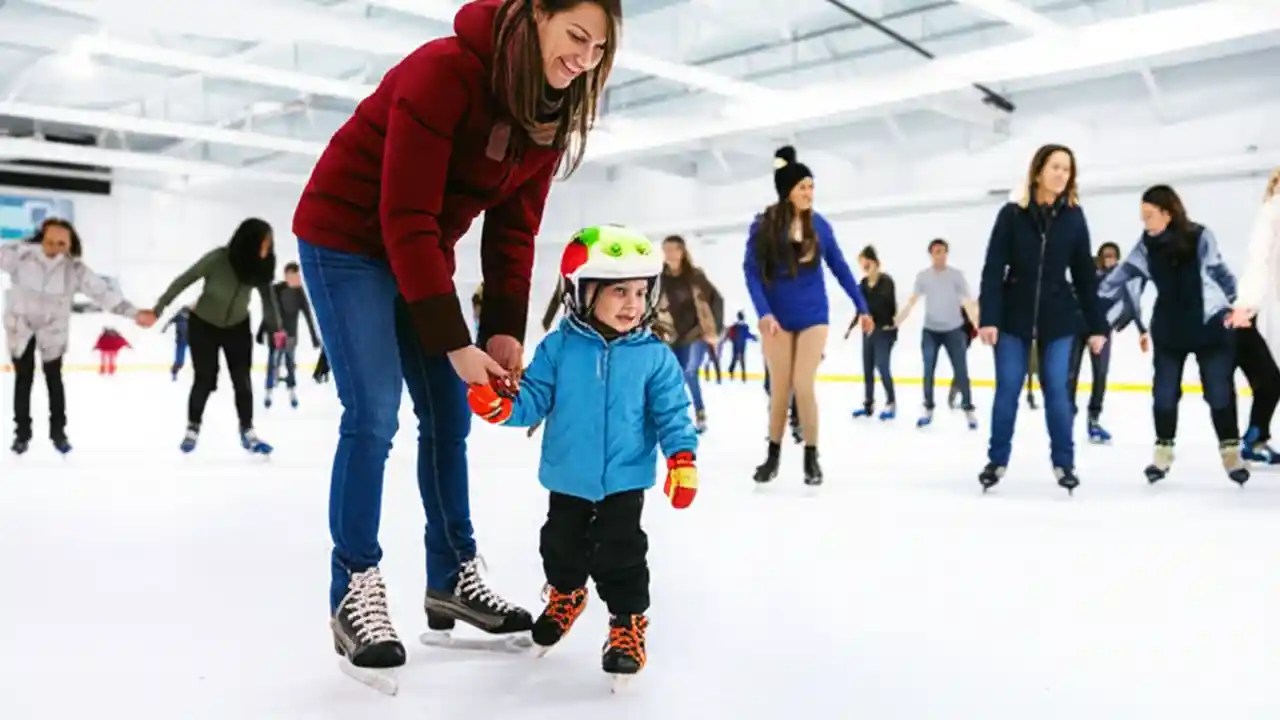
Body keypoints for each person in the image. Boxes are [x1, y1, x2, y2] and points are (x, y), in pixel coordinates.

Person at [289, 0, 622, 690]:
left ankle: (451, 579)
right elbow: (403, 212)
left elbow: (513, 232)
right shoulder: (442, 73)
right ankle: (353, 585)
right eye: (575, 37)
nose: (584, 60)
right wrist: (452, 339)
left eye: (599, 49)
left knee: (448, 414)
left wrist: (502, 327)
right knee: (374, 412)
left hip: (419, 249)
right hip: (346, 238)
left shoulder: (548, 112)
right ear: (535, 15)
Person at [466, 225, 697, 686]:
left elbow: (673, 412)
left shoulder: (654, 357)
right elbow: (533, 398)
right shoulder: (559, 347)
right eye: (618, 291)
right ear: (584, 291)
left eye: (639, 291)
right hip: (568, 476)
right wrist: (503, 407)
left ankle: (628, 624)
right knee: (559, 544)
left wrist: (682, 459)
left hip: (625, 479)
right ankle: (566, 594)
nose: (632, 303)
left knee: (623, 553)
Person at [977, 143, 1107, 494]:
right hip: (1011, 317)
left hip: (1059, 318)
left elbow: (1084, 275)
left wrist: (1097, 326)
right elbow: (993, 269)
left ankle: (1064, 463)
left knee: (1058, 393)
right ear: (1038, 172)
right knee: (1007, 389)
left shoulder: (1074, 218)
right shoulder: (1011, 214)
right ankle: (997, 460)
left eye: (1067, 169)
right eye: (1055, 167)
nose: (1062, 174)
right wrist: (989, 317)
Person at [1100, 184, 1248, 485]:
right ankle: (1162, 454)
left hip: (1209, 326)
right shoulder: (1145, 246)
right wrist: (1093, 298)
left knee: (1218, 391)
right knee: (1164, 394)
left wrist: (1239, 305)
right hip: (1170, 329)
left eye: (1149, 216)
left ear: (1167, 214)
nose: (1145, 223)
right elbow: (1122, 274)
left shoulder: (1200, 236)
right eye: (1143, 217)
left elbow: (1220, 271)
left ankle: (1231, 453)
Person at [744, 146, 872, 486]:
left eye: (812, 187)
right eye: (803, 186)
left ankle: (811, 457)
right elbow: (752, 272)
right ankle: (772, 456)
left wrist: (862, 305)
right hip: (777, 318)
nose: (809, 193)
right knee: (780, 390)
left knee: (803, 384)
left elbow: (841, 268)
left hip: (814, 314)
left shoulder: (820, 226)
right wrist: (764, 313)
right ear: (788, 190)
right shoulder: (764, 225)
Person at [1, 218, 155, 454]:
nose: (54, 247)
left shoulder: (74, 270)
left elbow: (103, 294)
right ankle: (22, 434)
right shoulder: (20, 256)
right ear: (42, 237)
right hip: (19, 328)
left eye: (61, 244)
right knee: (23, 381)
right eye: (50, 241)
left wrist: (134, 314)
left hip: (52, 332)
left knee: (54, 381)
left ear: (70, 245)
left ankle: (58, 434)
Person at [150, 218, 281, 455]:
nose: (266, 249)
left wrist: (277, 328)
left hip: (238, 326)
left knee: (242, 380)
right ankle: (193, 427)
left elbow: (269, 300)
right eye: (263, 244)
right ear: (249, 243)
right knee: (205, 379)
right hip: (204, 325)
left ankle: (247, 431)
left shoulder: (258, 268)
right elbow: (184, 280)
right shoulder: (219, 259)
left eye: (269, 245)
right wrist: (160, 307)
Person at [893, 238, 980, 429]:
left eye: (943, 251)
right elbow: (912, 301)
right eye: (936, 252)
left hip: (954, 330)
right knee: (928, 368)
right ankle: (928, 407)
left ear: (947, 253)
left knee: (961, 370)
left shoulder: (956, 276)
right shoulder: (923, 277)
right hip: (931, 331)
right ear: (931, 254)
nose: (940, 255)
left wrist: (977, 325)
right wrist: (897, 321)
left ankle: (968, 408)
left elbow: (968, 302)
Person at [1226, 167, 1280, 462]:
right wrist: (1247, 303)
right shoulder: (1272, 211)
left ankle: (1254, 439)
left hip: (1253, 309)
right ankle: (1247, 441)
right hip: (1249, 313)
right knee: (1268, 382)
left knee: (1269, 383)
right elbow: (1257, 259)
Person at [659, 235, 718, 433]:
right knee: (674, 377)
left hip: (697, 333)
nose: (669, 254)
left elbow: (716, 300)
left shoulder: (695, 275)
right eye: (665, 250)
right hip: (673, 336)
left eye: (672, 250)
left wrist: (714, 330)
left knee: (690, 371)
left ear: (682, 251)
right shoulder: (661, 279)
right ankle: (676, 418)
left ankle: (700, 413)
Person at [1065, 242, 1122, 443]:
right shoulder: (1088, 272)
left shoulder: (1118, 279)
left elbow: (1125, 304)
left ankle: (1094, 418)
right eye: (1106, 255)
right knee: (1071, 373)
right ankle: (1068, 413)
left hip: (1102, 333)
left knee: (1100, 375)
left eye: (1113, 256)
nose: (1109, 259)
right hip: (1079, 328)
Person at [258, 262, 320, 409]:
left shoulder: (299, 292)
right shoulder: (277, 289)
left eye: (297, 275)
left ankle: (291, 390)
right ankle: (269, 391)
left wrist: (314, 337)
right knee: (273, 362)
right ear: (286, 275)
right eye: (293, 275)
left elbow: (307, 314)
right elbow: (269, 313)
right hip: (276, 334)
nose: (296, 278)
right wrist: (262, 331)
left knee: (290, 362)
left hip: (291, 335)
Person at [848, 245, 897, 420]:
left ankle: (891, 403)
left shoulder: (886, 282)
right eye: (862, 265)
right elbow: (860, 308)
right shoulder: (862, 284)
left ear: (875, 262)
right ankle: (868, 404)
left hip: (885, 330)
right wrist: (851, 326)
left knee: (882, 365)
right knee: (867, 367)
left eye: (866, 263)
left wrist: (872, 316)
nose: (864, 267)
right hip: (868, 332)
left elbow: (888, 306)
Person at [725, 310, 757, 382]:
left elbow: (730, 335)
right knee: (742, 360)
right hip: (742, 345)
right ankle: (743, 376)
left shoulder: (735, 326)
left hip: (735, 344)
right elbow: (747, 335)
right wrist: (754, 337)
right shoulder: (745, 326)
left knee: (734, 359)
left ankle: (731, 372)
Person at [161, 305, 192, 381]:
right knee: (179, 361)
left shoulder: (187, 318)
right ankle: (174, 372)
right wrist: (164, 328)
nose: (186, 316)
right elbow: (169, 322)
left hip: (188, 339)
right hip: (181, 341)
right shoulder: (178, 317)